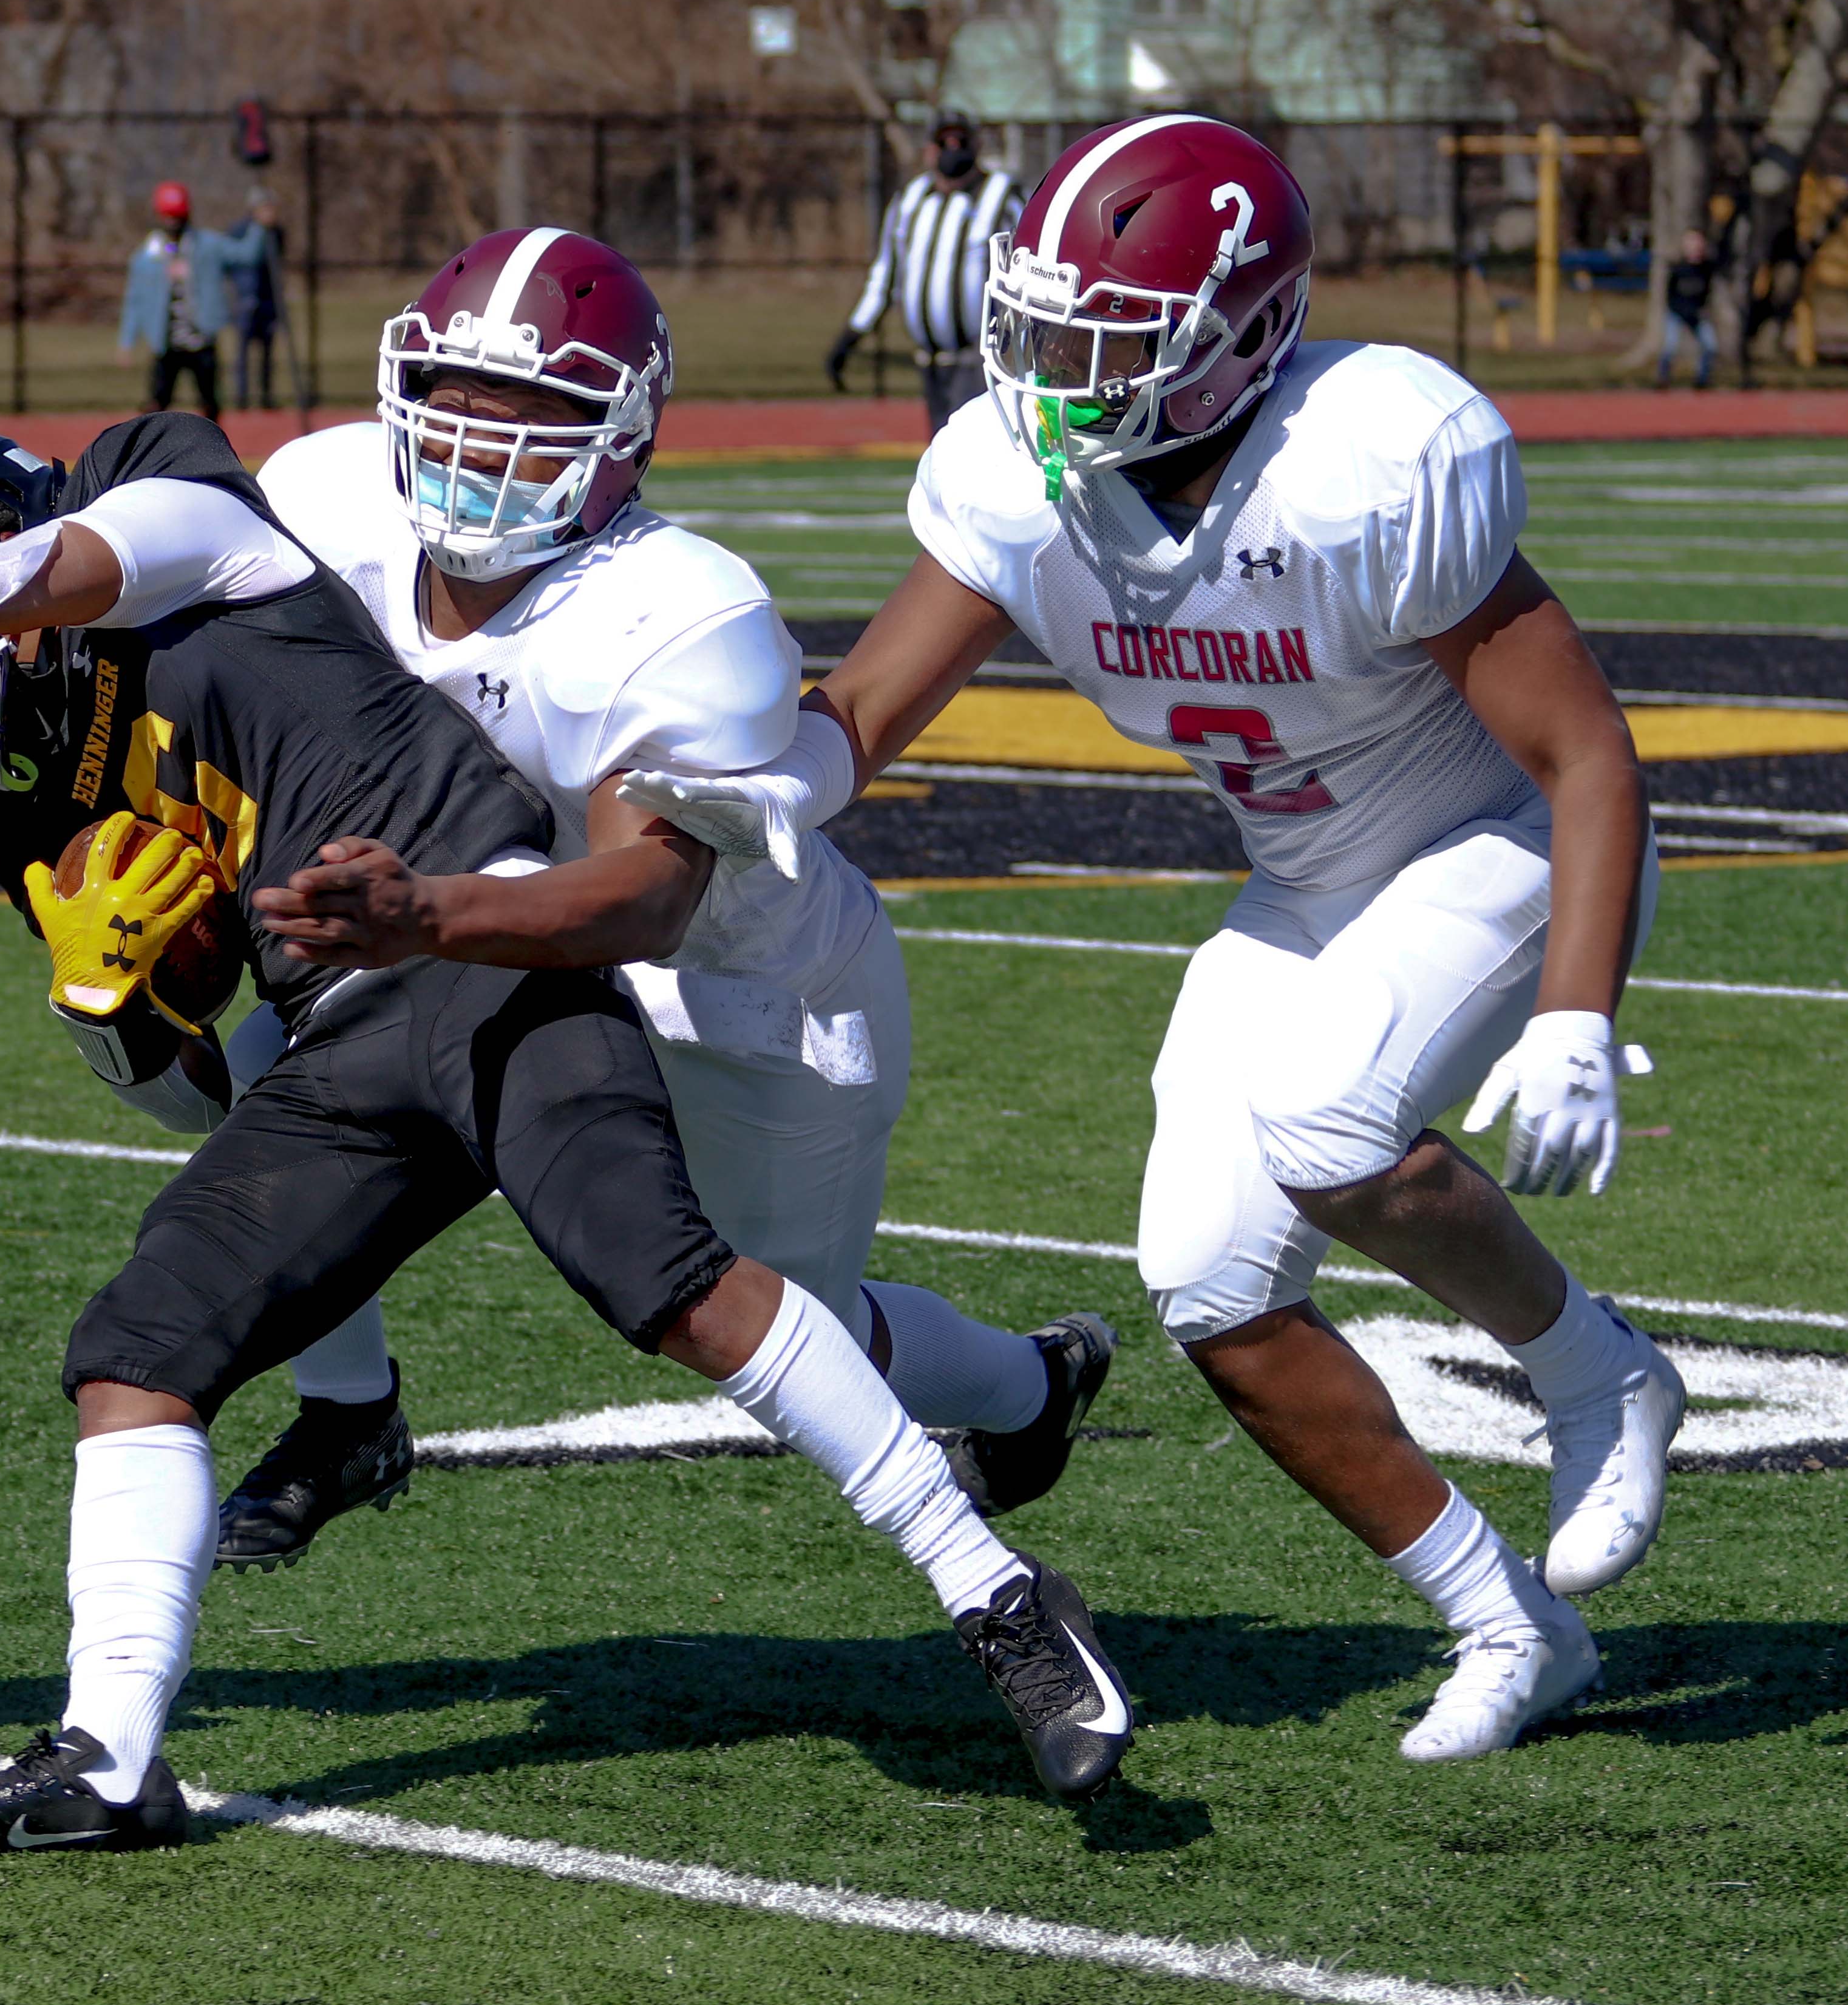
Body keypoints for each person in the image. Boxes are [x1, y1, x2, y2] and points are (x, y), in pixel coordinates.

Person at [0, 410, 1138, 1849]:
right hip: (341, 1042)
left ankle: (997, 1594)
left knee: (675, 1283)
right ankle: (106, 1754)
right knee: (135, 1355)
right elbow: (187, 1092)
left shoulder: (189, 539)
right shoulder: (28, 807)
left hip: (497, 960)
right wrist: (105, 1004)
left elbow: (17, 580)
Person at [807, 114, 1684, 1765]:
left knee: (1326, 1125)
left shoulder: (1363, 462)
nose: (1058, 370)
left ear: (1240, 336)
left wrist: (1576, 1007)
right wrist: (724, 779)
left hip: (1489, 841)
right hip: (1302, 884)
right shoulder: (1017, 482)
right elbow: (852, 712)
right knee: (1205, 1279)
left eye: (1109, 335)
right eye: (1042, 322)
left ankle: (1597, 1372)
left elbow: (1584, 753)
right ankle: (1509, 1619)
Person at [220, 225, 1114, 1570]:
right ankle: (346, 1416)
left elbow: (643, 899)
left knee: (784, 1323)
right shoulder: (323, 497)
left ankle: (1024, 1387)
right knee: (253, 1060)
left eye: (532, 408)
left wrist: (424, 918)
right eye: (452, 397)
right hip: (468, 934)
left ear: (621, 437)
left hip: (737, 995)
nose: (475, 436)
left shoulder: (683, 612)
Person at [830, 111, 1026, 432]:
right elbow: (886, 277)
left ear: (976, 145)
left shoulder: (1003, 195)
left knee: (972, 453)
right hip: (930, 363)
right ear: (929, 150)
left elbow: (1031, 265)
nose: (952, 149)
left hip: (981, 362)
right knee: (942, 459)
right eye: (943, 142)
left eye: (961, 141)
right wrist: (851, 337)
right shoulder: (911, 199)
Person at [116, 182, 260, 421]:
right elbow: (135, 299)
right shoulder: (149, 253)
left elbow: (246, 254)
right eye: (168, 217)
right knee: (156, 404)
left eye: (178, 216)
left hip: (201, 340)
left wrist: (260, 225)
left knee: (210, 402)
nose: (173, 223)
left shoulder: (207, 244)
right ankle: (150, 451)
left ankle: (214, 449)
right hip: (166, 343)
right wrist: (126, 341)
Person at [226, 189, 288, 411]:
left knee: (267, 353)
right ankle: (241, 399)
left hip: (268, 301)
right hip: (245, 300)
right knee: (242, 353)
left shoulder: (277, 233)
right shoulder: (239, 231)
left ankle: (266, 397)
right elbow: (236, 261)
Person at [1657, 228, 1717, 391]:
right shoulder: (1678, 268)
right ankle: (1663, 380)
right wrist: (1680, 311)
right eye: (1691, 242)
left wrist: (1701, 311)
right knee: (1670, 346)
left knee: (1711, 345)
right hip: (1677, 313)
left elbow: (1708, 292)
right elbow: (1670, 296)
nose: (1695, 246)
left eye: (1698, 242)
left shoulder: (1707, 268)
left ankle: (1702, 381)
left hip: (1697, 315)